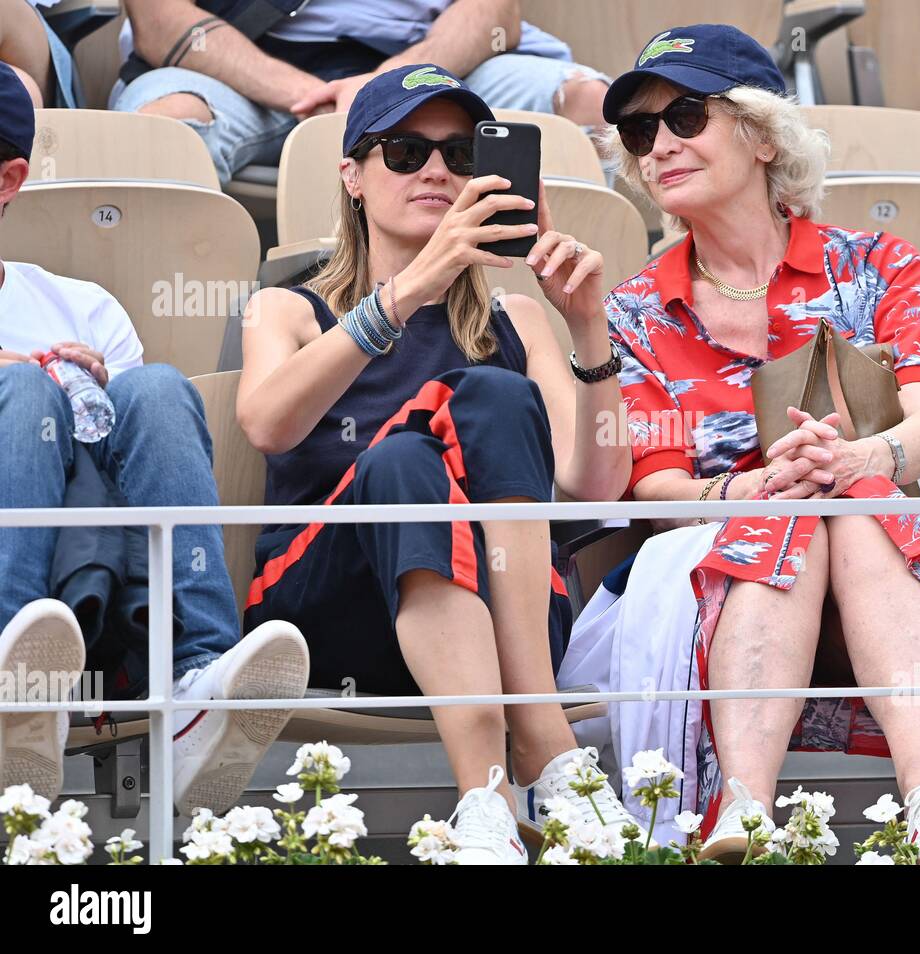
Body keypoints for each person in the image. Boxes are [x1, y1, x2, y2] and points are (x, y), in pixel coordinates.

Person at [559, 25, 920, 861]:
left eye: (685, 117)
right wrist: (761, 489)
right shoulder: (632, 309)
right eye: (640, 133)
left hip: (871, 546)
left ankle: (914, 809)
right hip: (703, 571)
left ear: (761, 133)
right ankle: (767, 809)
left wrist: (856, 461)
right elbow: (651, 493)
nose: (659, 146)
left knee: (845, 500)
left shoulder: (877, 264)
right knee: (799, 508)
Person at [237, 64, 640, 864]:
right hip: (335, 611)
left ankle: (485, 801)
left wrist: (589, 329)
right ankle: (546, 741)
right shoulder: (288, 307)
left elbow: (597, 484)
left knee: (477, 403)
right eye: (403, 150)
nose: (433, 170)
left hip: (505, 615)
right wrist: (411, 289)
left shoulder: (517, 315)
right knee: (401, 461)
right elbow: (268, 424)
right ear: (352, 175)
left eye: (458, 154)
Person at [0, 64, 310, 814]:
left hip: (84, 567)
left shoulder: (81, 305)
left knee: (157, 387)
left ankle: (196, 684)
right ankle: (11, 676)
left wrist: (86, 397)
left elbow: (121, 463)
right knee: (20, 392)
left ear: (7, 178)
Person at [111, 0, 609, 185]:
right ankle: (161, 360)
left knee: (588, 109)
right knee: (162, 133)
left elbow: (494, 13)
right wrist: (304, 90)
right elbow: (159, 21)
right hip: (235, 73)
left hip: (428, 63)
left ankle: (551, 342)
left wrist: (387, 86)